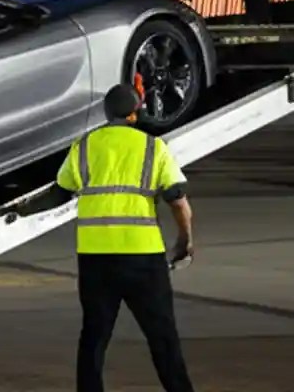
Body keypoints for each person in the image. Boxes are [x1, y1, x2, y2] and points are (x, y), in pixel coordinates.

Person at [56, 83, 196, 392]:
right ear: (136, 113)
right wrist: (184, 240)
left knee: (94, 337)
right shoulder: (153, 147)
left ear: (106, 113)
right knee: (162, 336)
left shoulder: (84, 146)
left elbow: (61, 190)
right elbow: (177, 200)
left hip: (95, 258)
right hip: (143, 257)